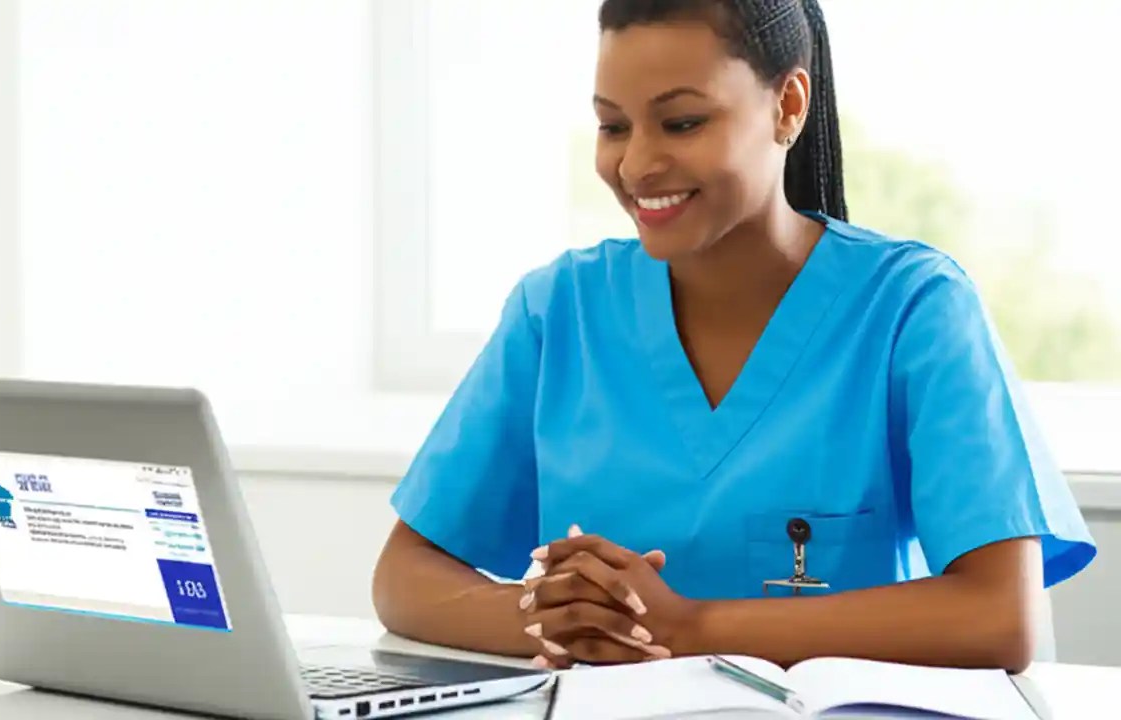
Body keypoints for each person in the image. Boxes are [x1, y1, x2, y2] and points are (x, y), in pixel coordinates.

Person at [371, 0, 1096, 674]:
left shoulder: (914, 307)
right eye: (613, 126)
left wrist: (689, 626)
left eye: (682, 122)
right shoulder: (557, 311)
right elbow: (405, 575)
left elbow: (1000, 616)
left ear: (787, 106)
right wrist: (550, 618)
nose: (635, 165)